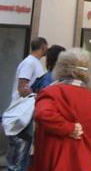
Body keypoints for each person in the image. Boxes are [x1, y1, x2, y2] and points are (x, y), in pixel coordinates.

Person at [31, 48, 91, 171]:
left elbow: (42, 114)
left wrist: (69, 128)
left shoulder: (52, 92)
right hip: (83, 161)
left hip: (55, 161)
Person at [5, 37, 47, 171]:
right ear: (43, 47)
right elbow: (22, 87)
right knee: (19, 153)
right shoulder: (30, 63)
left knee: (21, 153)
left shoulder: (33, 62)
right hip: (22, 113)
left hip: (25, 112)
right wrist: (37, 93)